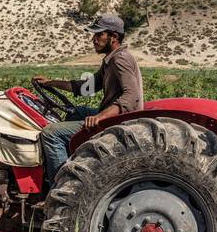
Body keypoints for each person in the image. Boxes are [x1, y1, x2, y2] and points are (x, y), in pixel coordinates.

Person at [34, 12, 144, 189]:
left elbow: (131, 97)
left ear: (114, 36)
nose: (94, 39)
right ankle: (75, 163)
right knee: (77, 112)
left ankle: (60, 189)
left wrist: (100, 116)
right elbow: (87, 87)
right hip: (114, 117)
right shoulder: (111, 59)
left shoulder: (120, 59)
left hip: (120, 122)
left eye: (99, 34)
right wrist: (51, 82)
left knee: (51, 133)